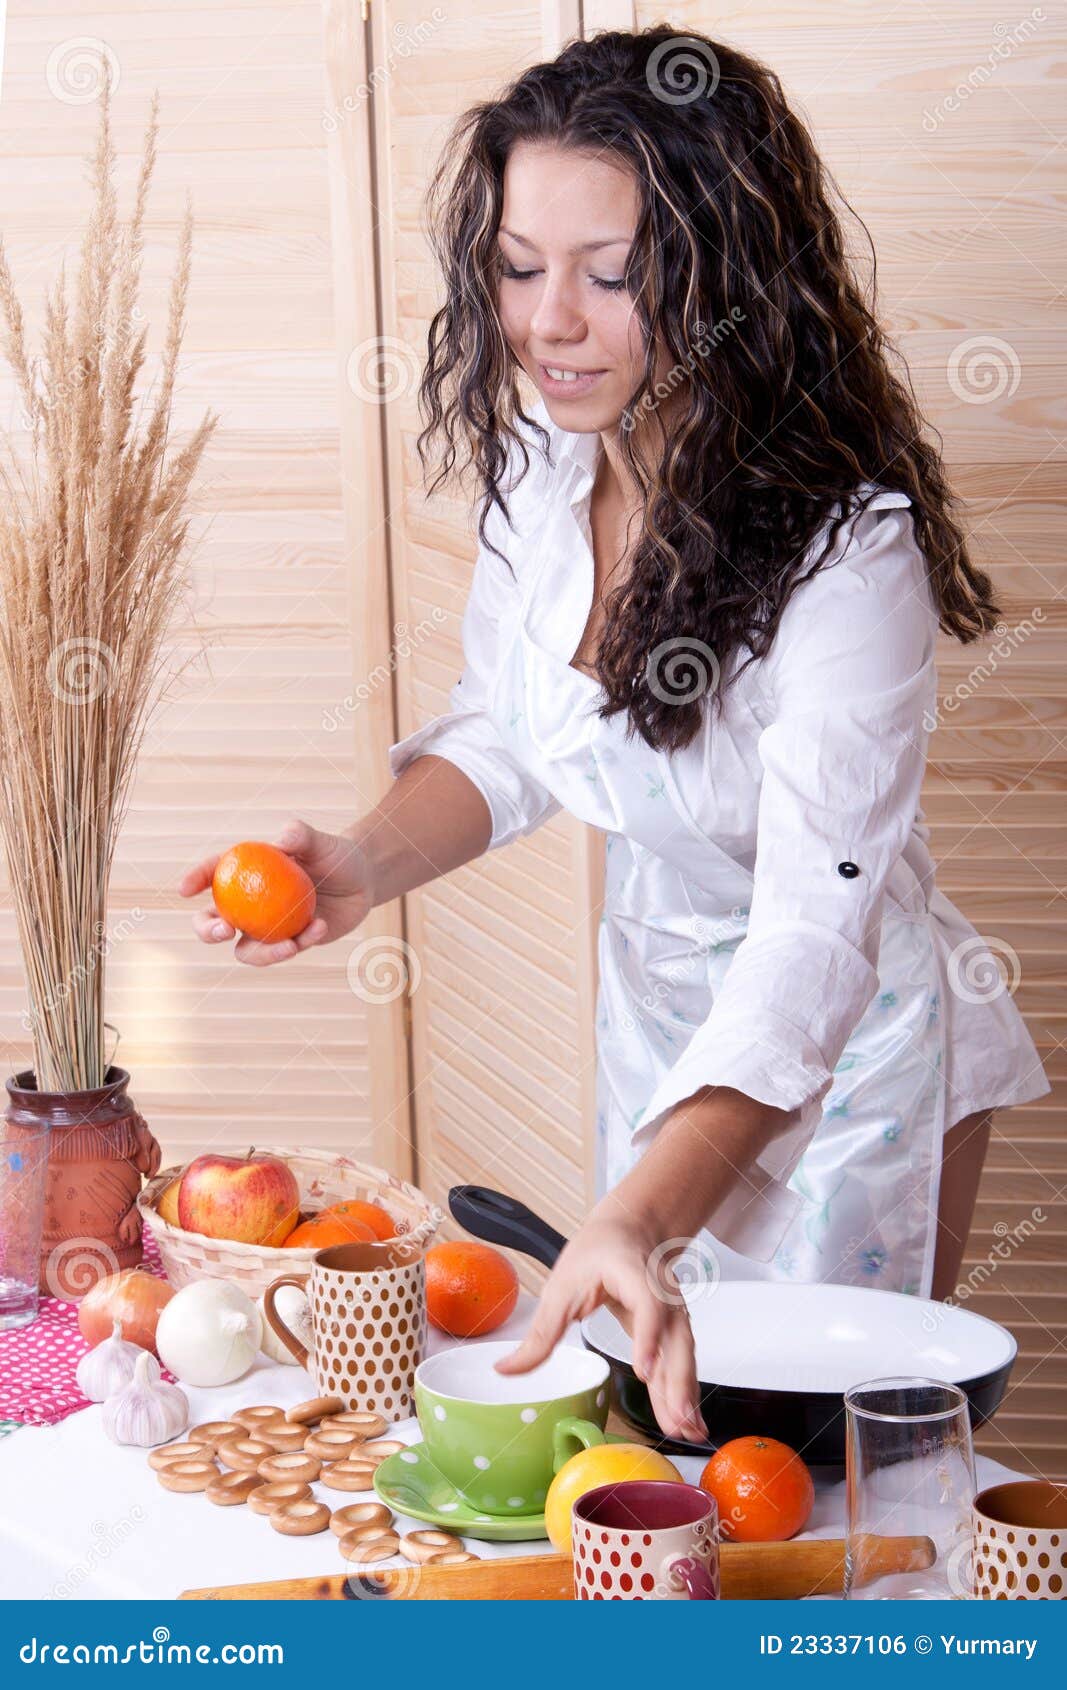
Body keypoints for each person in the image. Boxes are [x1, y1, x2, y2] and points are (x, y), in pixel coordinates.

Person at [181, 28, 1049, 1444]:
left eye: (612, 271)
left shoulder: (848, 553)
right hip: (654, 1014)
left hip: (845, 1048)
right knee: (653, 1455)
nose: (549, 321)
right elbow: (513, 744)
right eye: (520, 268)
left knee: (804, 1480)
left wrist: (640, 1208)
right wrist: (358, 861)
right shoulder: (544, 471)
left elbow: (808, 942)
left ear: (722, 277)